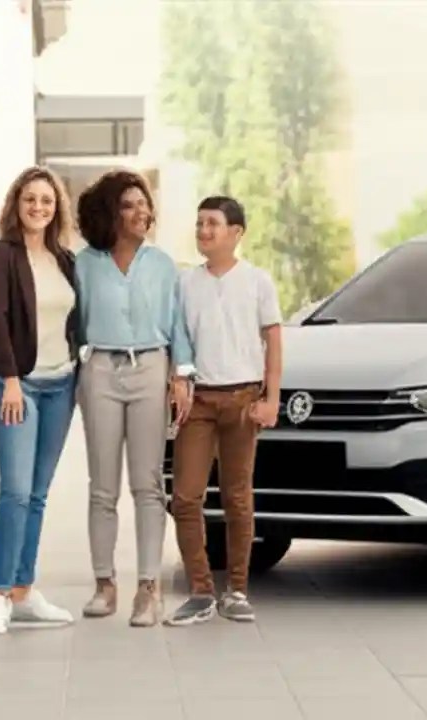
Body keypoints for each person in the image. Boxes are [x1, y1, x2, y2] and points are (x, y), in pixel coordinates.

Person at [74, 169, 194, 627]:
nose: (141, 211)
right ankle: (104, 584)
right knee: (102, 486)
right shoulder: (85, 264)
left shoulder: (162, 265)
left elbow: (177, 323)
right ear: (110, 213)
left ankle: (148, 589)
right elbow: (75, 323)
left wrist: (181, 374)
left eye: (144, 203)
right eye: (129, 205)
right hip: (101, 369)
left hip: (151, 367)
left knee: (147, 483)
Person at [166, 196, 281, 626]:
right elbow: (177, 340)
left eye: (212, 223)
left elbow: (274, 341)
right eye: (199, 223)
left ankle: (237, 589)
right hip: (198, 401)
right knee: (185, 497)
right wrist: (177, 382)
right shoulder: (185, 283)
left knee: (237, 497)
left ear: (236, 232)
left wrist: (272, 398)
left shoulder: (257, 282)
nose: (203, 231)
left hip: (243, 400)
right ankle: (200, 592)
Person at [0, 166, 80, 635]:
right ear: (16, 205)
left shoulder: (64, 259)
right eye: (30, 199)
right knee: (15, 491)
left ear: (57, 208)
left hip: (61, 385)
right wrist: (11, 378)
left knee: (37, 495)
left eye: (47, 200)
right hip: (18, 387)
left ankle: (23, 590)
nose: (39, 207)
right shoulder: (1, 255)